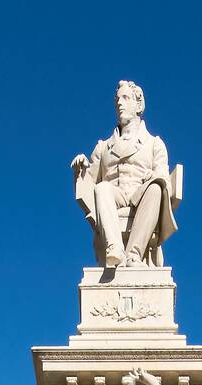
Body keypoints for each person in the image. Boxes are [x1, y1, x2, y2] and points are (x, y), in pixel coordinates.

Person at [71, 80, 178, 269]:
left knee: (156, 188)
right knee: (102, 188)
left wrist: (153, 177)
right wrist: (80, 170)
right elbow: (89, 182)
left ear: (139, 105)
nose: (120, 103)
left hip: (142, 195)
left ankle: (134, 255)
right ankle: (114, 249)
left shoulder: (154, 143)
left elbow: (163, 175)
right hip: (115, 196)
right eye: (118, 100)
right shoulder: (103, 147)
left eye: (126, 98)